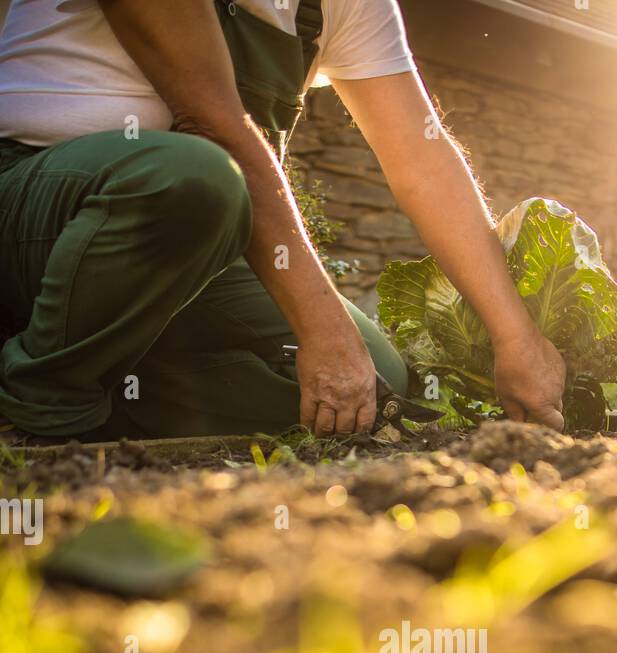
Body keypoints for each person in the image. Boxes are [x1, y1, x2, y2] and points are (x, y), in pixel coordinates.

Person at [0, 0, 565, 440]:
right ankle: (44, 403)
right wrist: (325, 330)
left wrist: (515, 335)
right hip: (39, 202)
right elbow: (215, 121)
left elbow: (422, 157)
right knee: (192, 177)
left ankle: (101, 383)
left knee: (373, 392)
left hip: (189, 248)